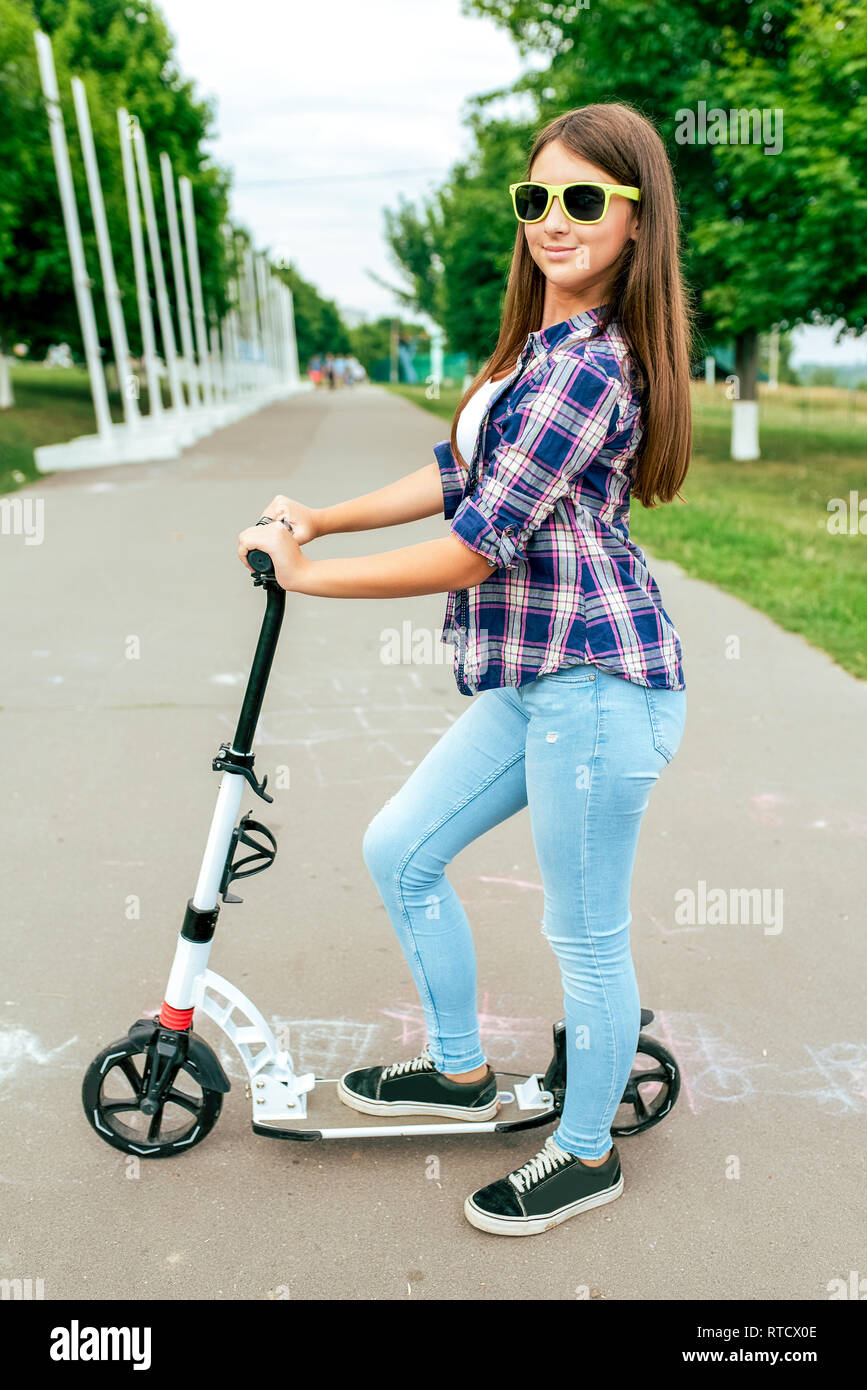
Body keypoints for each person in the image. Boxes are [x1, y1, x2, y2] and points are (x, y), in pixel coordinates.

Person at [238, 102, 691, 1237]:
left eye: (584, 200)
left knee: (585, 934)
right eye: (535, 199)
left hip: (600, 683)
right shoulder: (538, 353)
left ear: (635, 223)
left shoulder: (596, 367)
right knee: (402, 846)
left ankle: (584, 1151)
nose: (553, 220)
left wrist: (304, 579)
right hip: (538, 679)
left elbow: (482, 537)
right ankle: (454, 1069)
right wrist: (322, 517)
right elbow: (457, 468)